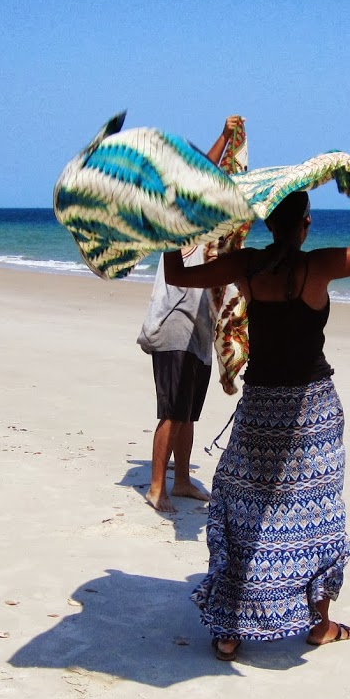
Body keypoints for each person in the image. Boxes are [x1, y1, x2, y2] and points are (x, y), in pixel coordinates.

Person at [163, 153, 350, 661]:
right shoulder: (317, 266)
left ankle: (230, 629)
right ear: (305, 225)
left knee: (244, 509)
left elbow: (179, 275)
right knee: (317, 511)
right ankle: (318, 624)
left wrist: (169, 224)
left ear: (269, 224)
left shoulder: (248, 265)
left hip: (259, 409)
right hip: (310, 410)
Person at [136, 116, 242, 513]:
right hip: (172, 325)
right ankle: (156, 486)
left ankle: (180, 481)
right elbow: (201, 176)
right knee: (171, 411)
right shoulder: (175, 220)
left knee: (189, 413)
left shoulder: (210, 227)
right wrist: (222, 136)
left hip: (198, 330)